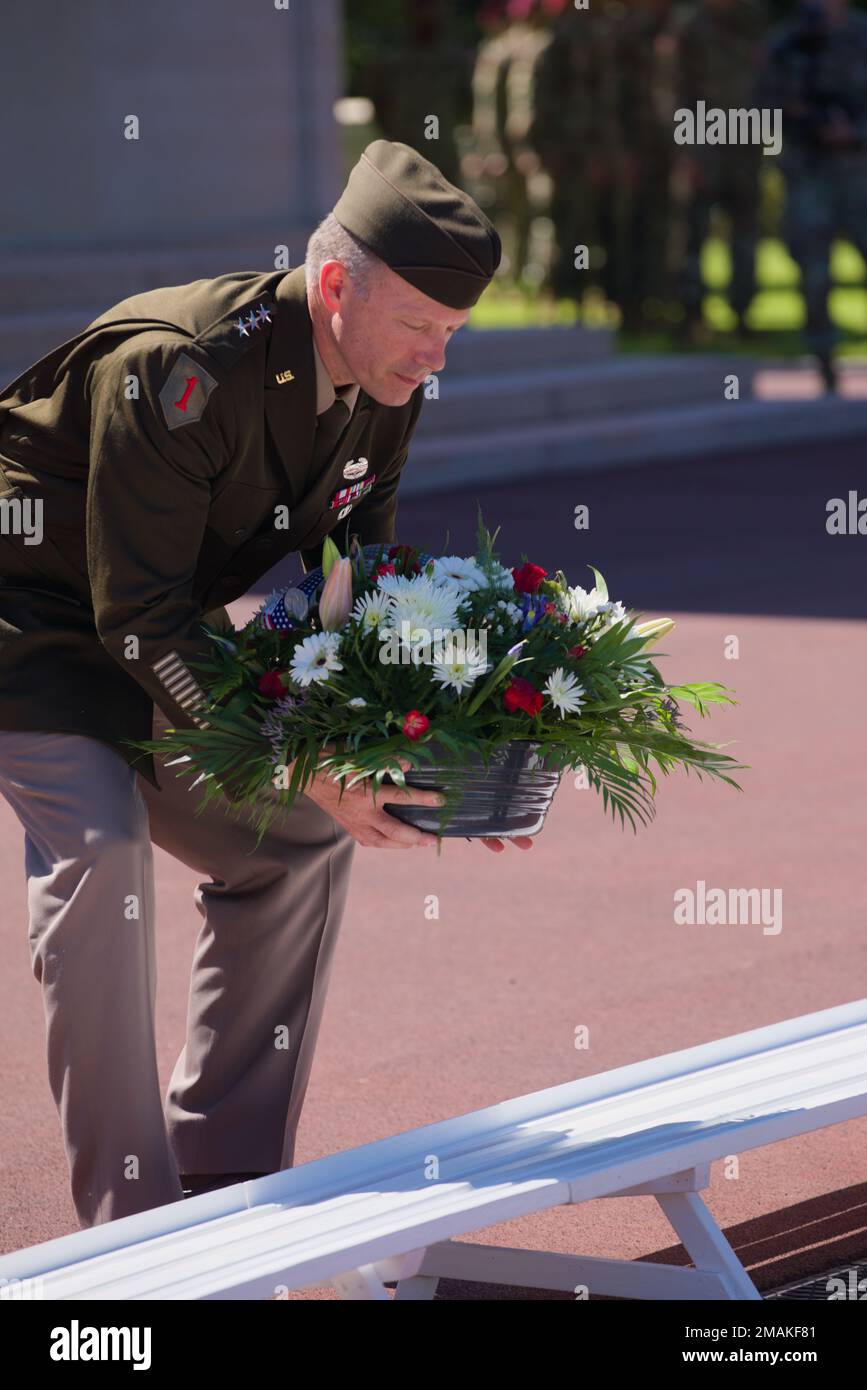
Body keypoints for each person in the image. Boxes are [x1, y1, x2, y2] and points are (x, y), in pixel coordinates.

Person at [0, 139, 530, 1230]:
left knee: (298, 841)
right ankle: (132, 1225)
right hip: (31, 622)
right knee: (103, 857)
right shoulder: (182, 367)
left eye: (452, 335)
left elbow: (356, 582)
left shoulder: (385, 381)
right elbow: (132, 617)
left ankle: (226, 1186)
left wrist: (450, 759)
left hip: (156, 621)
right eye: (422, 326)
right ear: (337, 285)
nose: (436, 358)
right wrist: (304, 755)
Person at [757, 0, 867, 390]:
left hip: (859, 172)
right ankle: (825, 361)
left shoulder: (860, 35)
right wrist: (804, 120)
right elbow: (762, 106)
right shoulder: (786, 43)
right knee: (814, 274)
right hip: (810, 174)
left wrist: (854, 133)